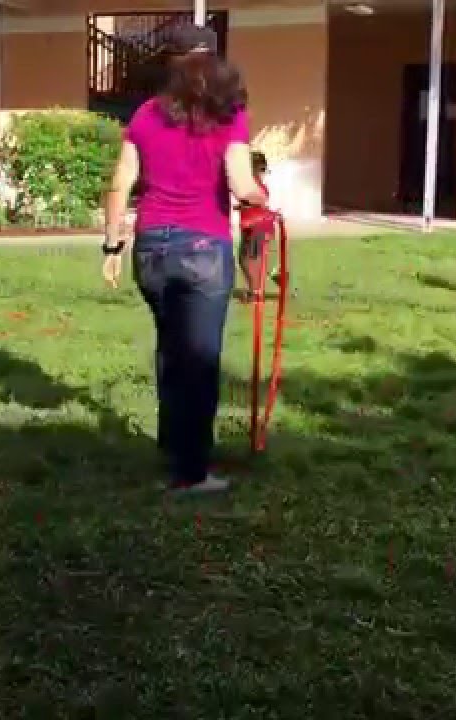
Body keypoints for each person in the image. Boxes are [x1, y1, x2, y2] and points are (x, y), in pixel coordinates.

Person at [101, 22, 267, 494]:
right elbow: (239, 183)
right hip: (202, 251)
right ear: (215, 63)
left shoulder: (145, 115)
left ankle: (173, 451)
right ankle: (191, 474)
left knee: (171, 353)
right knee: (199, 361)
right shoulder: (229, 113)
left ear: (169, 64)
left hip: (151, 249)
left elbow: (119, 187)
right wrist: (262, 199)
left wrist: (112, 245)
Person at [237, 151, 277, 303]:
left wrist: (245, 204)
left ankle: (255, 293)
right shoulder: (253, 183)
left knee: (251, 260)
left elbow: (260, 199)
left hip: (257, 226)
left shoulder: (255, 184)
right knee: (246, 259)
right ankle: (255, 290)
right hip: (250, 225)